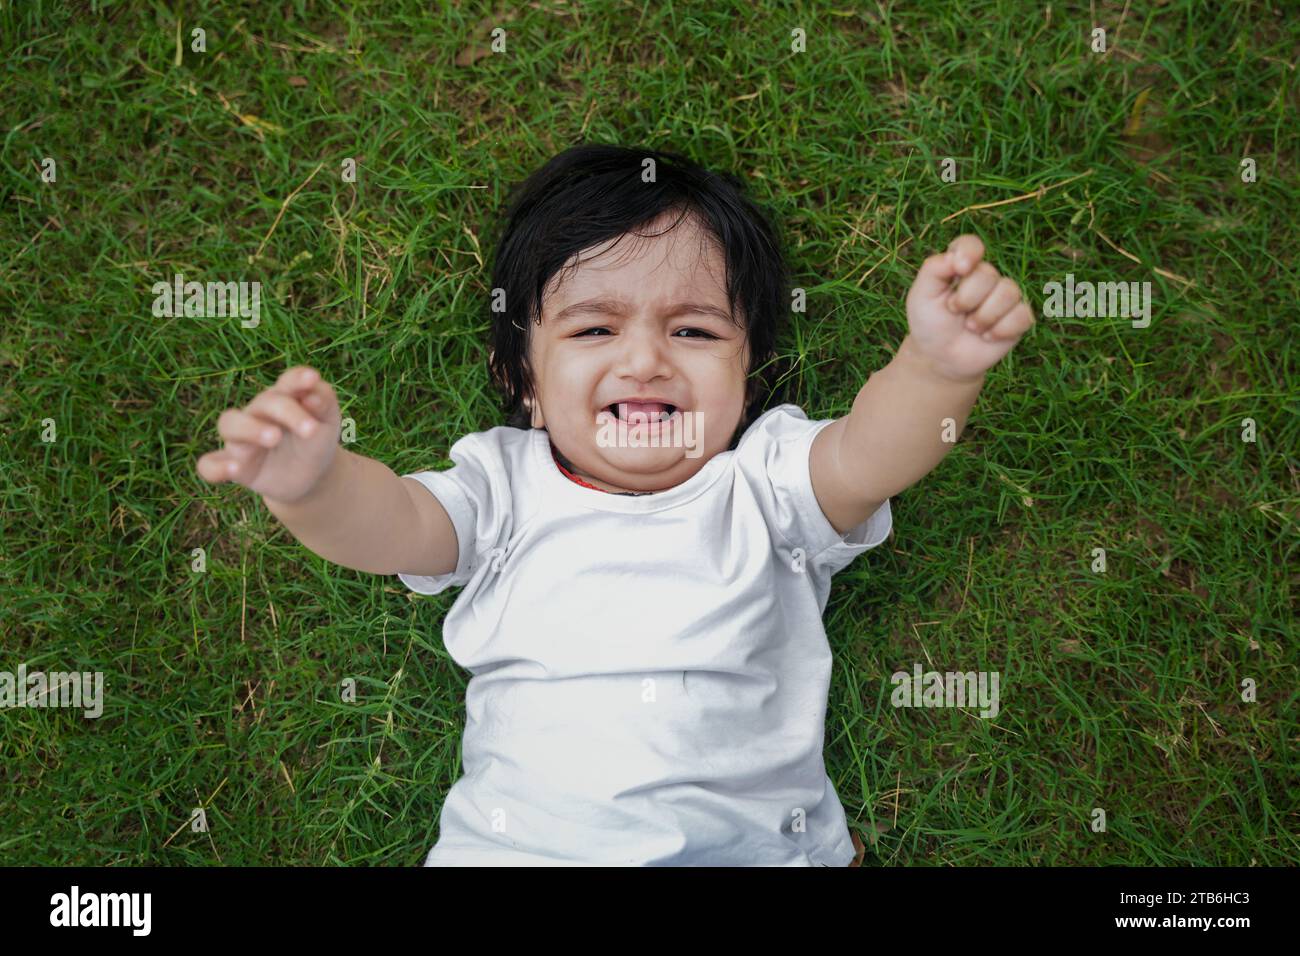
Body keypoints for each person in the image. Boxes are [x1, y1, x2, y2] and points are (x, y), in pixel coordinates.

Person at [196, 144, 1033, 865]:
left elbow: (871, 453)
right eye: (594, 330)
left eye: (695, 332)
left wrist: (937, 369)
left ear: (747, 376)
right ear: (522, 377)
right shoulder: (502, 488)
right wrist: (315, 485)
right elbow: (393, 528)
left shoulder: (769, 485)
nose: (644, 360)